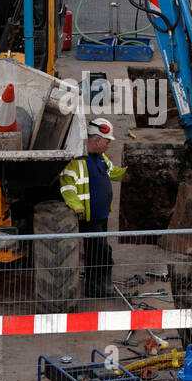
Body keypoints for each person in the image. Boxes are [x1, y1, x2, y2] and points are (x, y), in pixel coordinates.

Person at [60, 117, 126, 298]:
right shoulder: (76, 161)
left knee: (98, 251)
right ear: (96, 140)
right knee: (100, 252)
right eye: (107, 141)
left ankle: (97, 285)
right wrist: (75, 205)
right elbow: (67, 185)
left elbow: (113, 172)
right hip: (89, 218)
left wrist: (128, 172)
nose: (108, 145)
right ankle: (98, 288)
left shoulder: (101, 157)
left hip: (102, 215)